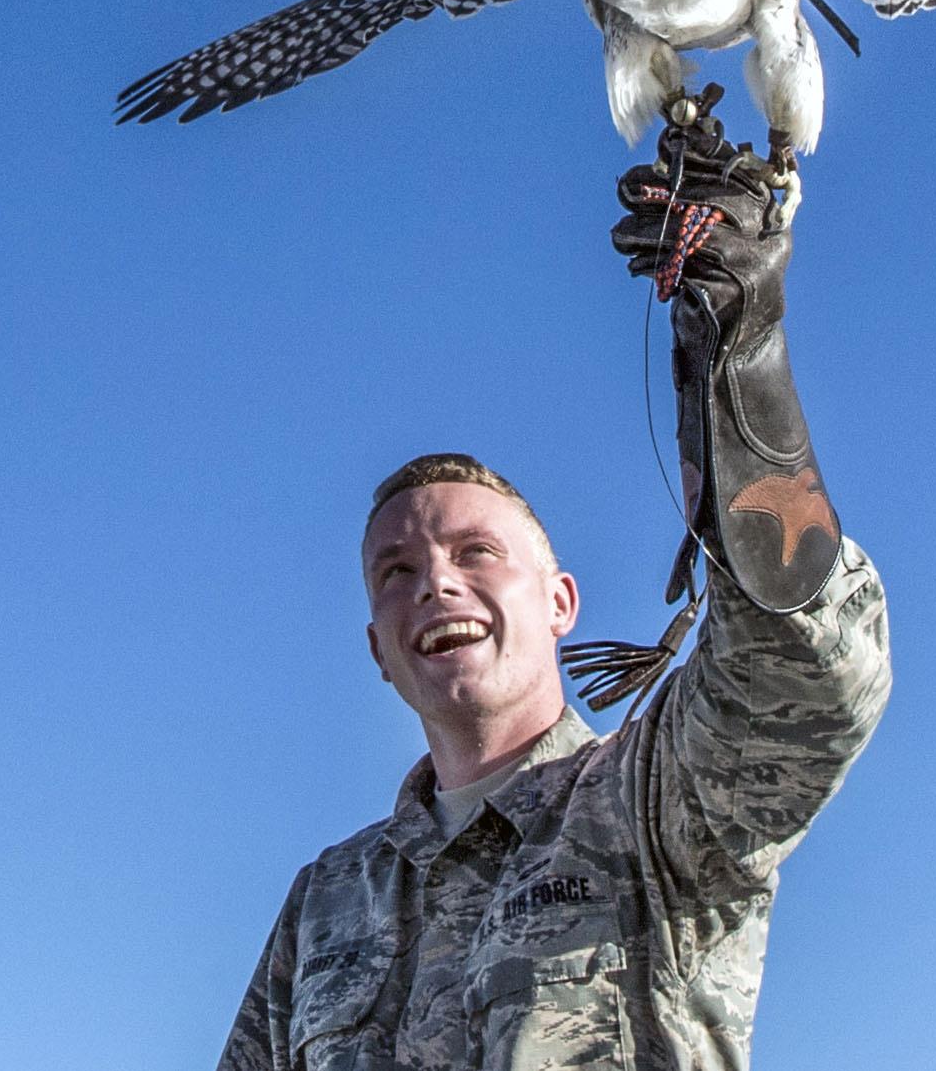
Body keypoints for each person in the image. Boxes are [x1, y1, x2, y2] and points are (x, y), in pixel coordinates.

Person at [218, 106, 891, 1071]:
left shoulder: (658, 802)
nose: (436, 584)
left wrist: (739, 358)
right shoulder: (328, 898)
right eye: (396, 573)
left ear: (561, 603)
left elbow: (809, 676)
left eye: (476, 553)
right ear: (377, 648)